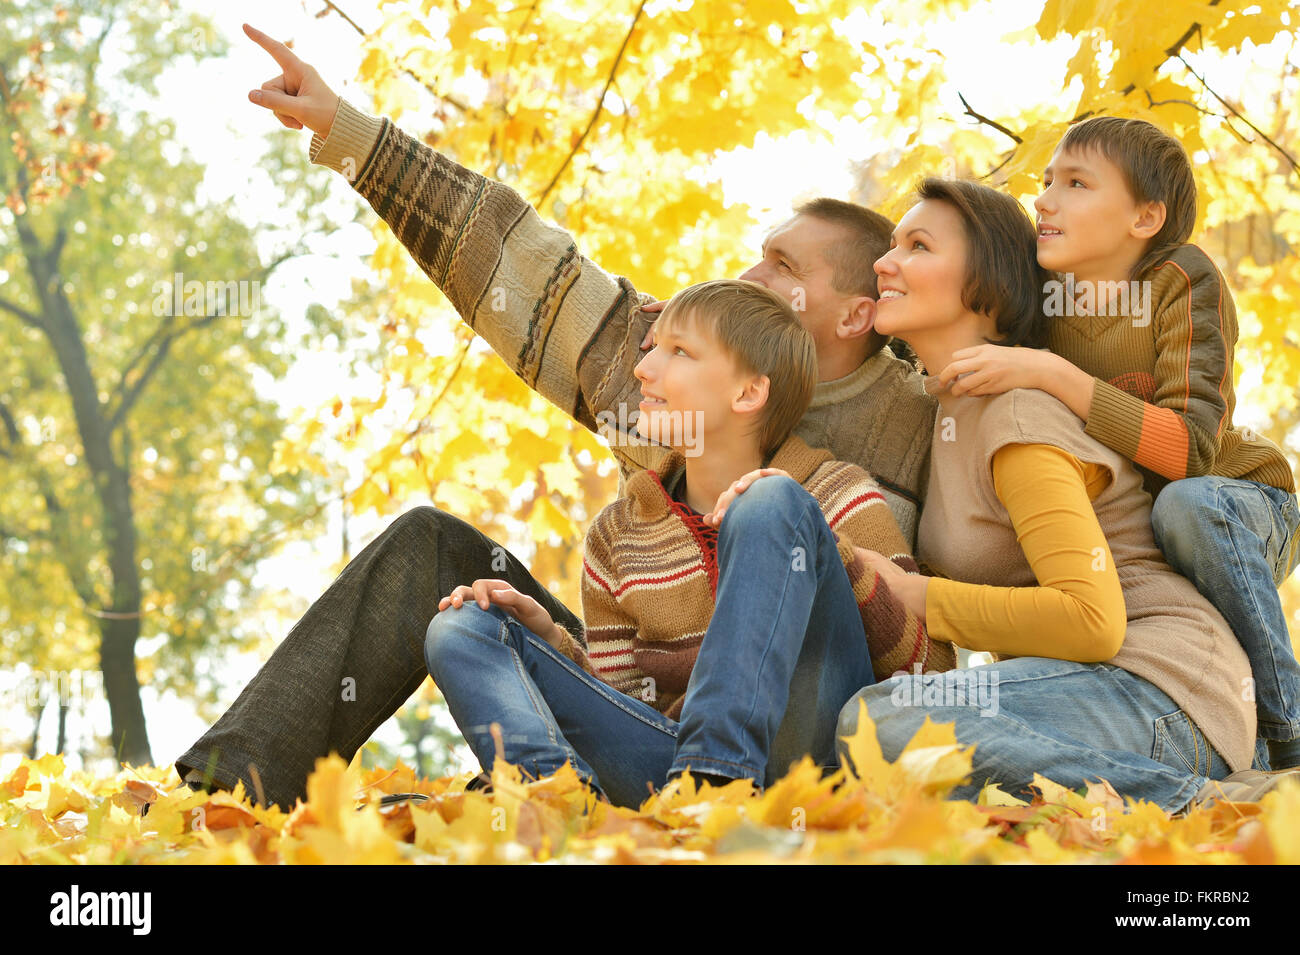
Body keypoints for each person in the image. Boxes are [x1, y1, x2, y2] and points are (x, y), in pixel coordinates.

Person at [172, 23, 937, 810]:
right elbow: (517, 262)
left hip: (826, 720)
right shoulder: (666, 370)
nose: (747, 271)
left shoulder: (929, 411)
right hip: (663, 715)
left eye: (781, 266)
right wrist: (349, 135)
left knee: (778, 508)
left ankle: (692, 782)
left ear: (859, 312)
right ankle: (232, 789)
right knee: (440, 562)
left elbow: (1045, 430)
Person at [835, 177, 1286, 816]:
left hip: (1165, 690)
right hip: (1088, 697)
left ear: (986, 288)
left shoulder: (1016, 413)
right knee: (891, 735)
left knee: (884, 723)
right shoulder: (948, 415)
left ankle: (1217, 809)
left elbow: (1093, 621)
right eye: (891, 245)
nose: (885, 262)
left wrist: (918, 598)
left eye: (917, 246)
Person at [423, 280, 952, 806]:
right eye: (652, 348)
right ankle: (559, 806)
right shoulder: (618, 534)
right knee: (461, 627)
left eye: (679, 351)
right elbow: (629, 705)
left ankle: (712, 780)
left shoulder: (837, 493)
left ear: (748, 392)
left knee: (773, 502)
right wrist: (553, 643)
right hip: (667, 774)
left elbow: (930, 674)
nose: (643, 369)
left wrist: (821, 547)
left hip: (813, 764)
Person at [934, 117, 1300, 770]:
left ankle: (1286, 731)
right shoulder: (1040, 302)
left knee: (1185, 508)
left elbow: (1190, 454)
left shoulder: (1179, 280)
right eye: (1046, 181)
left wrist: (1056, 375)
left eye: (1076, 183)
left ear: (1145, 217)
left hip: (1236, 505)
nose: (1045, 199)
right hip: (1146, 533)